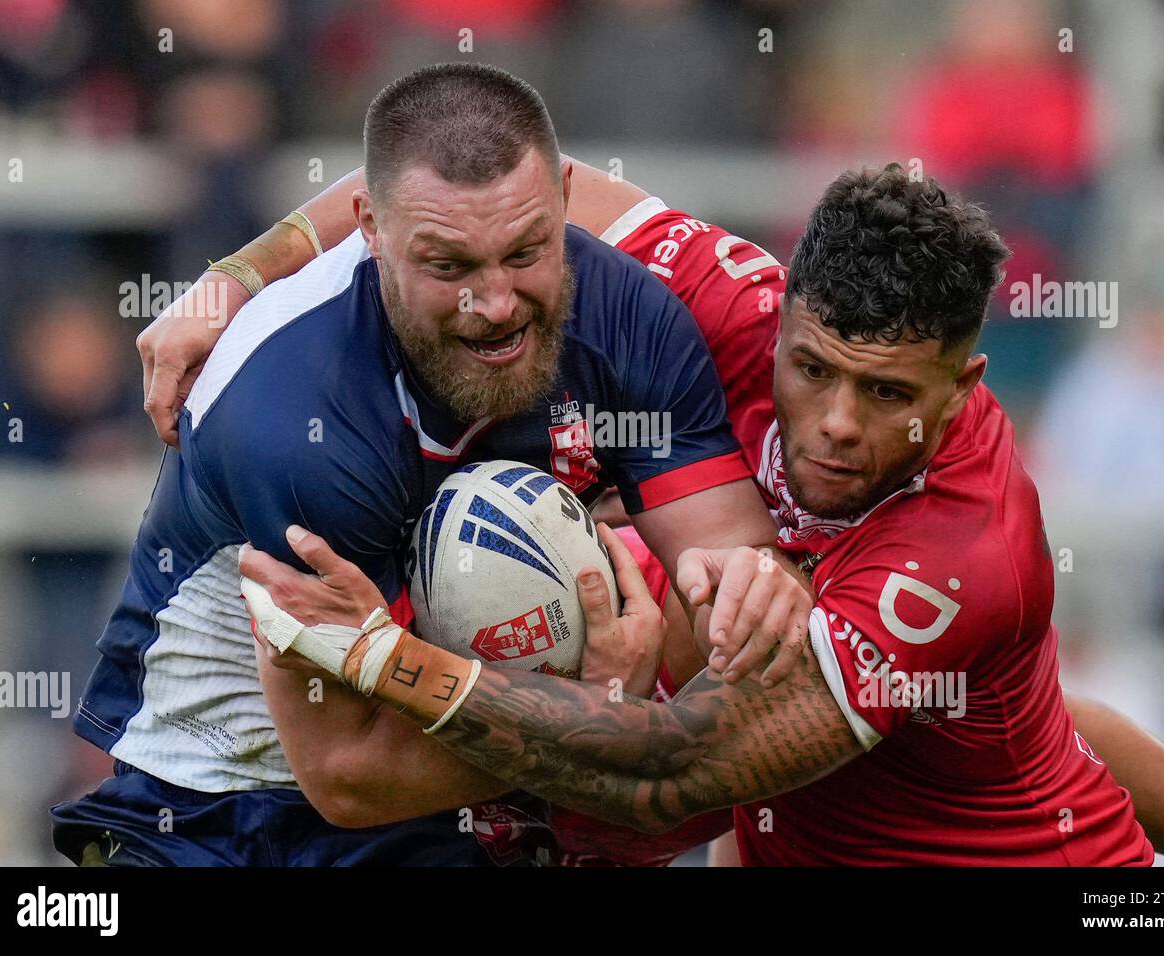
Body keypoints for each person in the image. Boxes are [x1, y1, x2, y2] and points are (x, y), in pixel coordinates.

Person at [239, 163, 1164, 865]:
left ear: (962, 389)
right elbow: (475, 171)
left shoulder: (955, 552)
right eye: (811, 369)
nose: (832, 425)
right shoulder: (735, 307)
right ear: (781, 313)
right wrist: (236, 278)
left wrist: (381, 661)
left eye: (887, 396)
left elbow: (667, 769)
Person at [51, 63, 812, 867]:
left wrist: (707, 643)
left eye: (526, 253)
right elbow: (349, 776)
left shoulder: (636, 320)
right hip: (220, 800)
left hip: (451, 789)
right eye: (450, 268)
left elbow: (740, 592)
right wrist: (592, 714)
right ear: (369, 231)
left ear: (563, 197)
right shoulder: (297, 411)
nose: (496, 303)